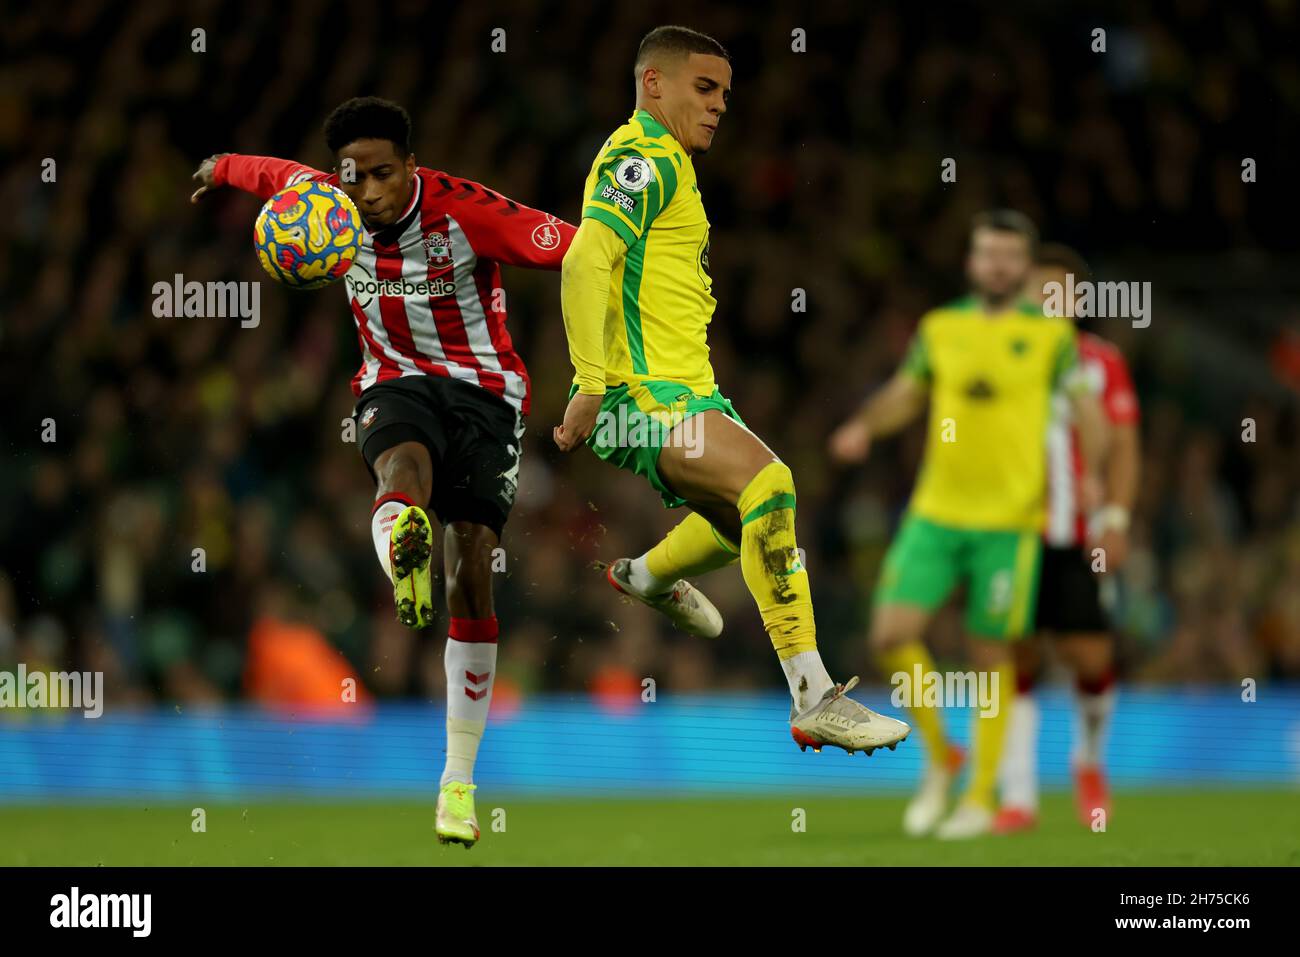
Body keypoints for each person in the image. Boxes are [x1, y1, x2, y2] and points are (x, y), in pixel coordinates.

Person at [191, 96, 575, 848]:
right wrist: (218, 168)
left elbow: (575, 248)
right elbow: (270, 174)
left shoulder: (468, 212)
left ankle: (457, 779)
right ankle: (403, 538)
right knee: (400, 466)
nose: (365, 192)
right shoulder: (325, 207)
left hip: (486, 396)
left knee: (470, 575)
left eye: (382, 175)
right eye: (353, 175)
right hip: (392, 382)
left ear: (411, 167)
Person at [553, 25, 910, 755]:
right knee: (769, 483)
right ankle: (814, 695)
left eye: (725, 94)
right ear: (654, 83)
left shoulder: (675, 168)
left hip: (688, 397)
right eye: (704, 88)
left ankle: (647, 575)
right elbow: (584, 258)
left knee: (738, 519)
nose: (719, 106)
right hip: (640, 402)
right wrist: (591, 385)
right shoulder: (641, 156)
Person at [828, 212, 1106, 839]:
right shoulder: (942, 328)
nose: (998, 266)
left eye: (1010, 256)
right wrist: (863, 426)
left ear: (1024, 266)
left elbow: (1087, 409)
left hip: (1007, 524)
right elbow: (907, 391)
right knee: (890, 633)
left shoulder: (1050, 337)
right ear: (973, 263)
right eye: (988, 254)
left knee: (989, 655)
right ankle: (941, 753)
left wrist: (1093, 476)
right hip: (935, 514)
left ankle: (981, 793)